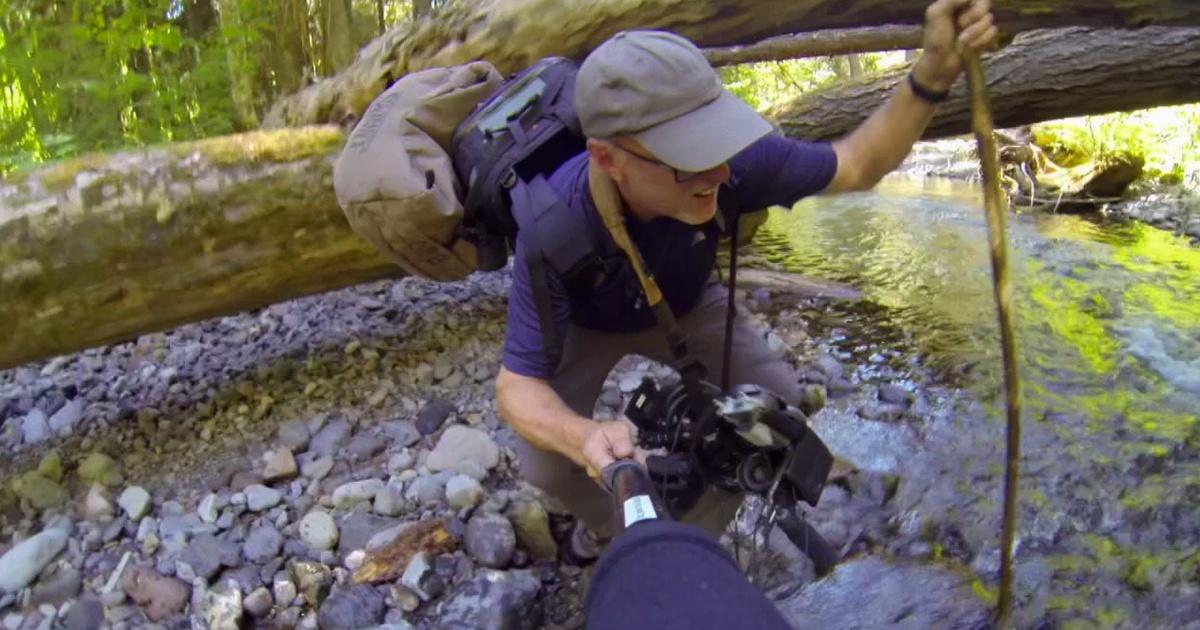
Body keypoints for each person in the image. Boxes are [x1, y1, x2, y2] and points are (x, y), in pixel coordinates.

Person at [495, 0, 999, 560]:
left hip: (685, 303)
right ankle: (614, 528)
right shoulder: (554, 226)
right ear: (608, 159)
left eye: (716, 143)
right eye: (687, 159)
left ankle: (693, 528)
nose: (718, 173)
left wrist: (933, 72)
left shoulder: (734, 165)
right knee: (546, 462)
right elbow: (517, 389)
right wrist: (584, 439)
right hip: (587, 323)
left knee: (779, 412)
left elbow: (859, 162)